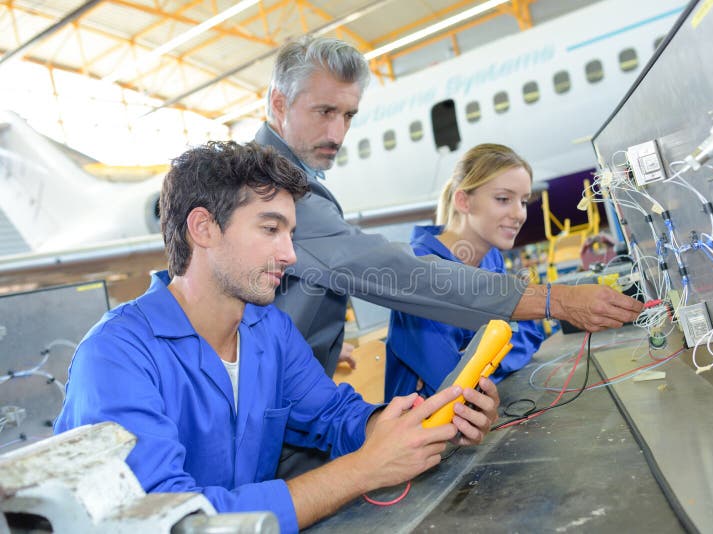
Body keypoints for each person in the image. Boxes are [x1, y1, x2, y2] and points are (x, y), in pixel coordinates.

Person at [54, 141, 500, 533]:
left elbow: (333, 416)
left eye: (291, 233)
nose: (289, 254)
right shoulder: (115, 356)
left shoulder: (267, 330)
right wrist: (362, 471)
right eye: (270, 229)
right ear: (203, 228)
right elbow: (175, 520)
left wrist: (421, 431)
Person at [255, 36, 643, 380]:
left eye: (349, 116)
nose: (338, 134)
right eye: (324, 112)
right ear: (279, 103)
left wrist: (310, 343)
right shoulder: (274, 190)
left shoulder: (290, 179)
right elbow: (400, 276)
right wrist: (554, 300)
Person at [385, 144, 545, 400]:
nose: (519, 214)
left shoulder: (490, 256)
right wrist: (496, 350)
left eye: (523, 201)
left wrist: (484, 359)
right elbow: (457, 386)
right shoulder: (419, 274)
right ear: (463, 201)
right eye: (503, 199)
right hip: (424, 429)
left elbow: (530, 332)